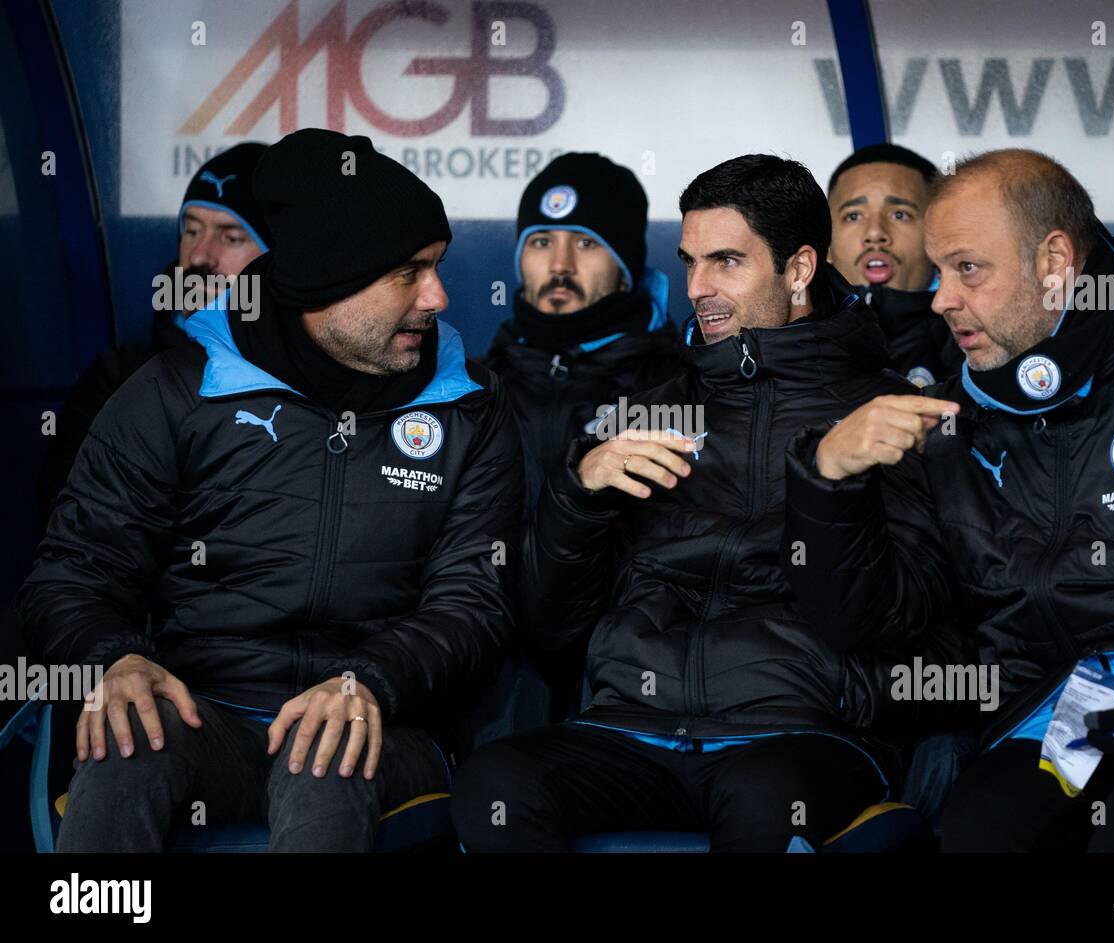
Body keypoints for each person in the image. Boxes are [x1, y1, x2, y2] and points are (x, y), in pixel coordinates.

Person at [18, 128, 523, 852]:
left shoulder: (470, 408)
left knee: (324, 757)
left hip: (383, 721)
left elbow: (475, 603)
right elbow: (73, 569)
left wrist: (371, 681)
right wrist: (114, 659)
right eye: (409, 272)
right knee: (128, 743)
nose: (439, 296)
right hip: (204, 713)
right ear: (325, 282)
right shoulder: (177, 390)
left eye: (435, 267)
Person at [786, 148, 1114, 852]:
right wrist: (830, 482)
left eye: (967, 269)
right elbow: (871, 623)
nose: (940, 298)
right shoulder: (944, 421)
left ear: (1055, 261)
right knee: (980, 831)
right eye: (938, 272)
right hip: (1046, 720)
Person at [451, 154, 959, 853]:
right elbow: (550, 632)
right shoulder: (651, 405)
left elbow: (887, 620)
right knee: (497, 782)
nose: (698, 288)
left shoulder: (883, 412)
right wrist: (578, 495)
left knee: (765, 795)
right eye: (690, 261)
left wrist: (830, 483)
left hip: (798, 729)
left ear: (800, 268)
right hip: (632, 725)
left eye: (726, 261)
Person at [36, 143, 271, 524]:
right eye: (191, 231)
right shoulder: (119, 377)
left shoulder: (310, 381)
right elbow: (69, 514)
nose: (200, 257)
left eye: (231, 237)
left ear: (277, 255)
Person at [484, 152, 679, 508]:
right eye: (541, 242)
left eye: (586, 243)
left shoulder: (678, 387)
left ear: (625, 267)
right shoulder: (475, 389)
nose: (560, 266)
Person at [826, 143, 960, 387]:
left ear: (938, 237)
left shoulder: (976, 344)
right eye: (853, 216)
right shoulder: (786, 346)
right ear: (825, 244)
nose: (875, 233)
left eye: (900, 214)